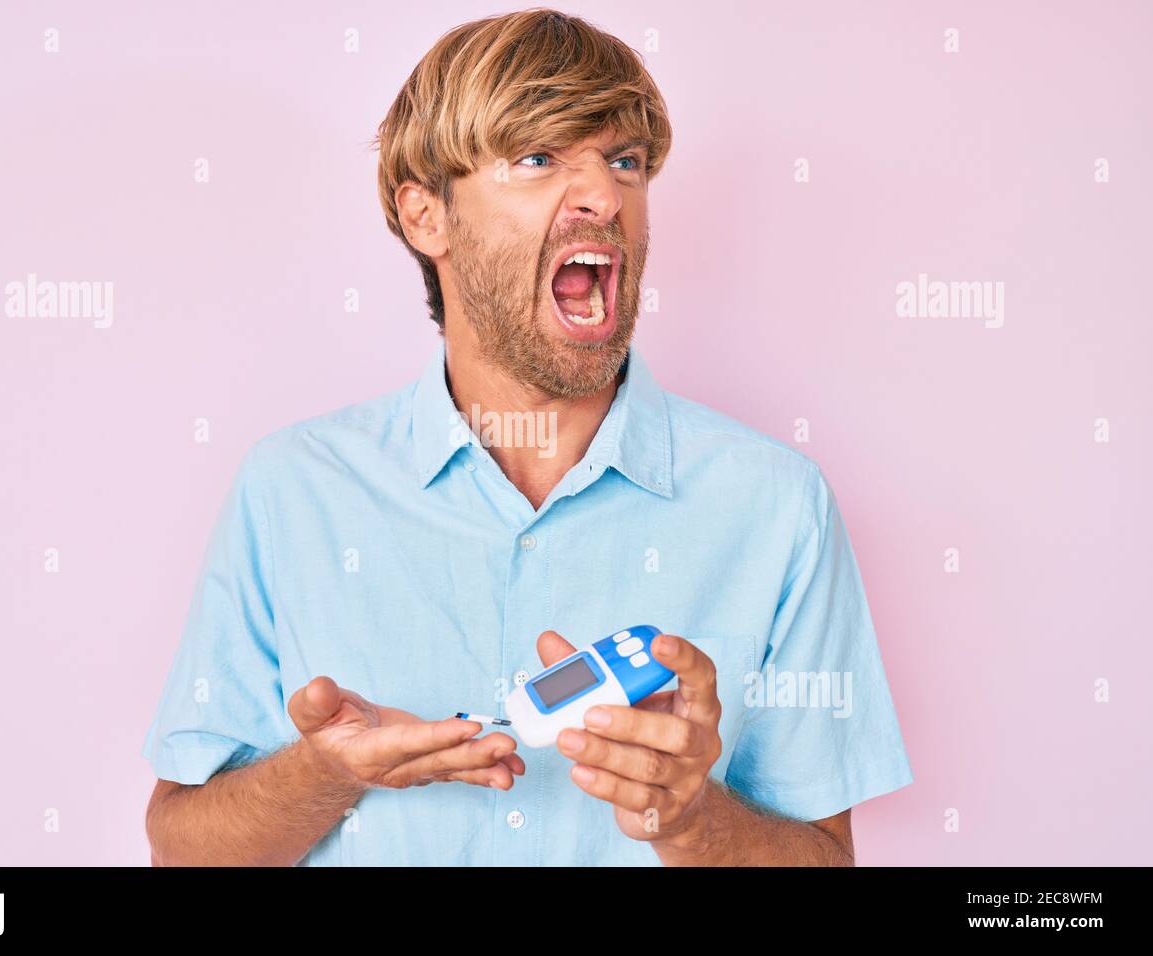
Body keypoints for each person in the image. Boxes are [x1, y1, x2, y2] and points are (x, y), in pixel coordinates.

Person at [143, 8, 912, 866]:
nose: (603, 197)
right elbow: (183, 848)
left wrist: (692, 819)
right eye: (538, 159)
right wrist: (324, 774)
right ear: (426, 215)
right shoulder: (292, 489)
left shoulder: (775, 507)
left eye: (625, 162)